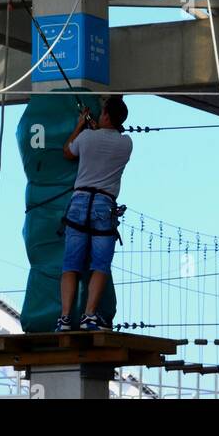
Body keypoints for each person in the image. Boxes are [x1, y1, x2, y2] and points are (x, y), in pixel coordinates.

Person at [56, 96, 132, 332]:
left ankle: (66, 318)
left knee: (71, 264)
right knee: (100, 264)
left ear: (106, 115)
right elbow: (106, 142)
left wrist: (80, 124)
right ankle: (89, 315)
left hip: (79, 202)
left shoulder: (87, 137)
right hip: (104, 205)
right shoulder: (126, 144)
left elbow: (68, 152)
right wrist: (96, 128)